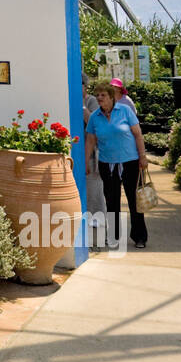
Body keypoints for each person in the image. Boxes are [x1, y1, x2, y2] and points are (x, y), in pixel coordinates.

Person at [85, 80, 149, 249]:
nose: (99, 98)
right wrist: (86, 162)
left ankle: (139, 236)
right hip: (107, 164)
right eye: (97, 95)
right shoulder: (95, 117)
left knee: (134, 200)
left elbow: (138, 134)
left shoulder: (125, 111)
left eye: (103, 95)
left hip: (130, 162)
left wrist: (142, 156)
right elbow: (90, 140)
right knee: (111, 201)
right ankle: (113, 236)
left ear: (112, 97)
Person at [84, 82, 104, 247]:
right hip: (79, 151)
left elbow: (93, 123)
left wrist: (83, 108)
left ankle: (98, 217)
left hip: (93, 152)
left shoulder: (91, 101)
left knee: (95, 188)